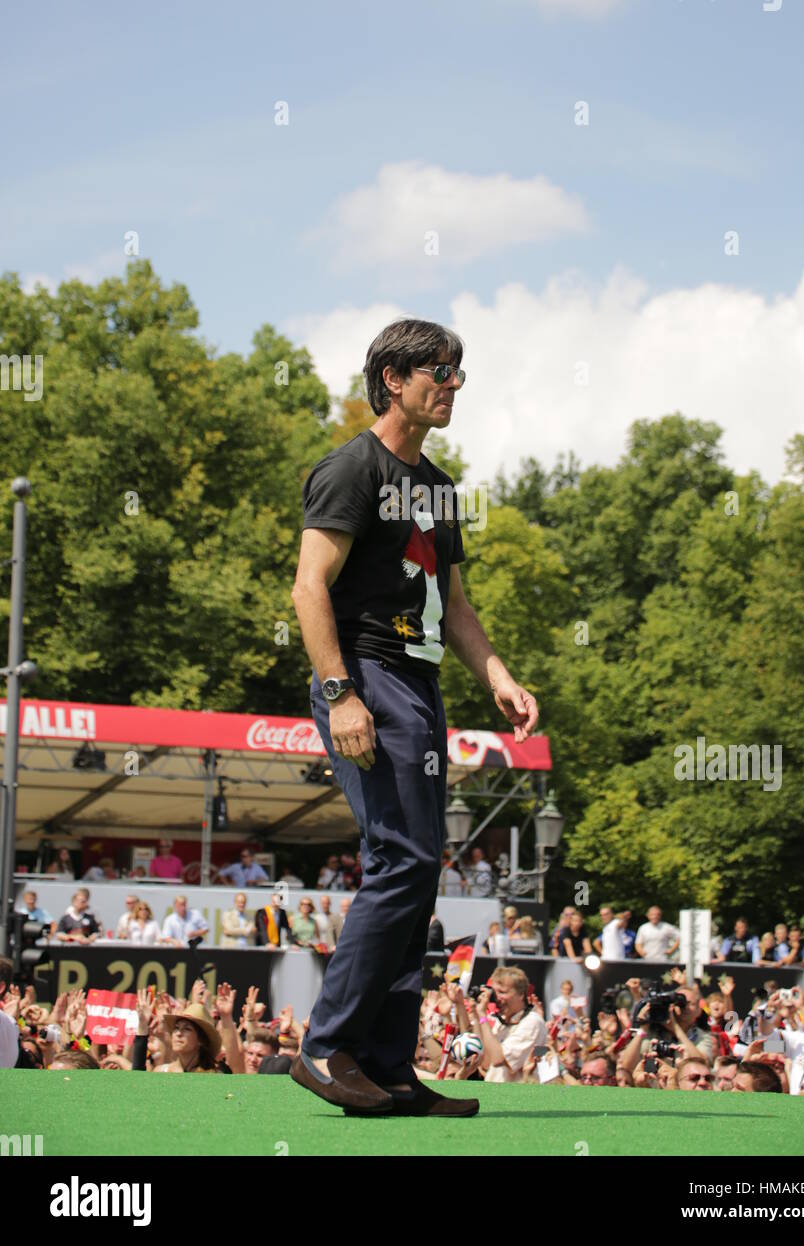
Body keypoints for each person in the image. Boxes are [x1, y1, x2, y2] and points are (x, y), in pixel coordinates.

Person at [289, 318, 538, 1118]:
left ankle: (390, 1067)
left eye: (460, 372)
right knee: (399, 858)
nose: (454, 384)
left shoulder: (438, 486)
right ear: (393, 379)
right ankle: (327, 1047)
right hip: (366, 677)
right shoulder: (349, 469)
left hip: (420, 683)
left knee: (418, 870)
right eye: (440, 370)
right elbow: (308, 588)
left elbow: (453, 603)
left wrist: (496, 672)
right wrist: (340, 694)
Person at [464, 966, 547, 1084]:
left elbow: (499, 1059)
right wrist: (478, 1018)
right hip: (495, 1092)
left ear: (521, 994)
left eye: (502, 992)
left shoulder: (532, 1022)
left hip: (517, 1097)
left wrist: (483, 1015)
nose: (497, 998)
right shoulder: (501, 1023)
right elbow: (486, 1063)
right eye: (495, 992)